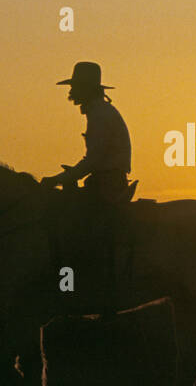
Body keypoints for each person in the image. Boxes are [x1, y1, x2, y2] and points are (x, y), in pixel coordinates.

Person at [41, 62, 133, 315]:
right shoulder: (100, 112)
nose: (71, 92)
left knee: (69, 224)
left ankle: (77, 285)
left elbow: (93, 160)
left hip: (107, 184)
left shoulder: (100, 115)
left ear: (86, 89)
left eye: (75, 87)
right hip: (104, 180)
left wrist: (59, 178)